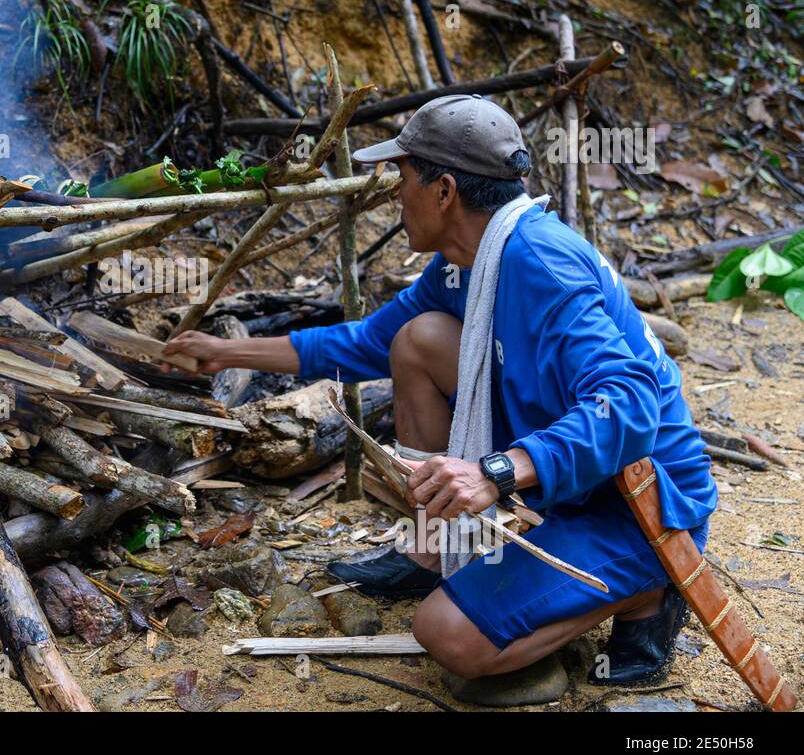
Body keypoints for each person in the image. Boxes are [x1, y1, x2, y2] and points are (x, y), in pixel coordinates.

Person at [163, 95, 716, 685]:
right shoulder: (465, 263)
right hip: (581, 477)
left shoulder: (541, 264)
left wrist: (496, 472)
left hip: (645, 504)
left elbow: (630, 404)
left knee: (447, 637)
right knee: (419, 339)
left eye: (402, 178)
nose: (396, 196)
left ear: (445, 190)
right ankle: (434, 549)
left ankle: (648, 592)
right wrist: (224, 351)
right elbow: (368, 343)